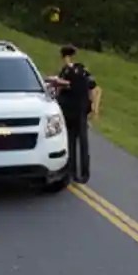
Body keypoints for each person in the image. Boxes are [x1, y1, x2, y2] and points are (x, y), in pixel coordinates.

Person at [48, 45, 96, 184]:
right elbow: (93, 88)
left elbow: (66, 85)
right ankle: (84, 173)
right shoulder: (83, 70)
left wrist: (53, 81)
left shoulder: (68, 71)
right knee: (83, 142)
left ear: (64, 56)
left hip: (70, 110)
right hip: (81, 110)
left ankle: (71, 172)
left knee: (70, 141)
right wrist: (92, 107)